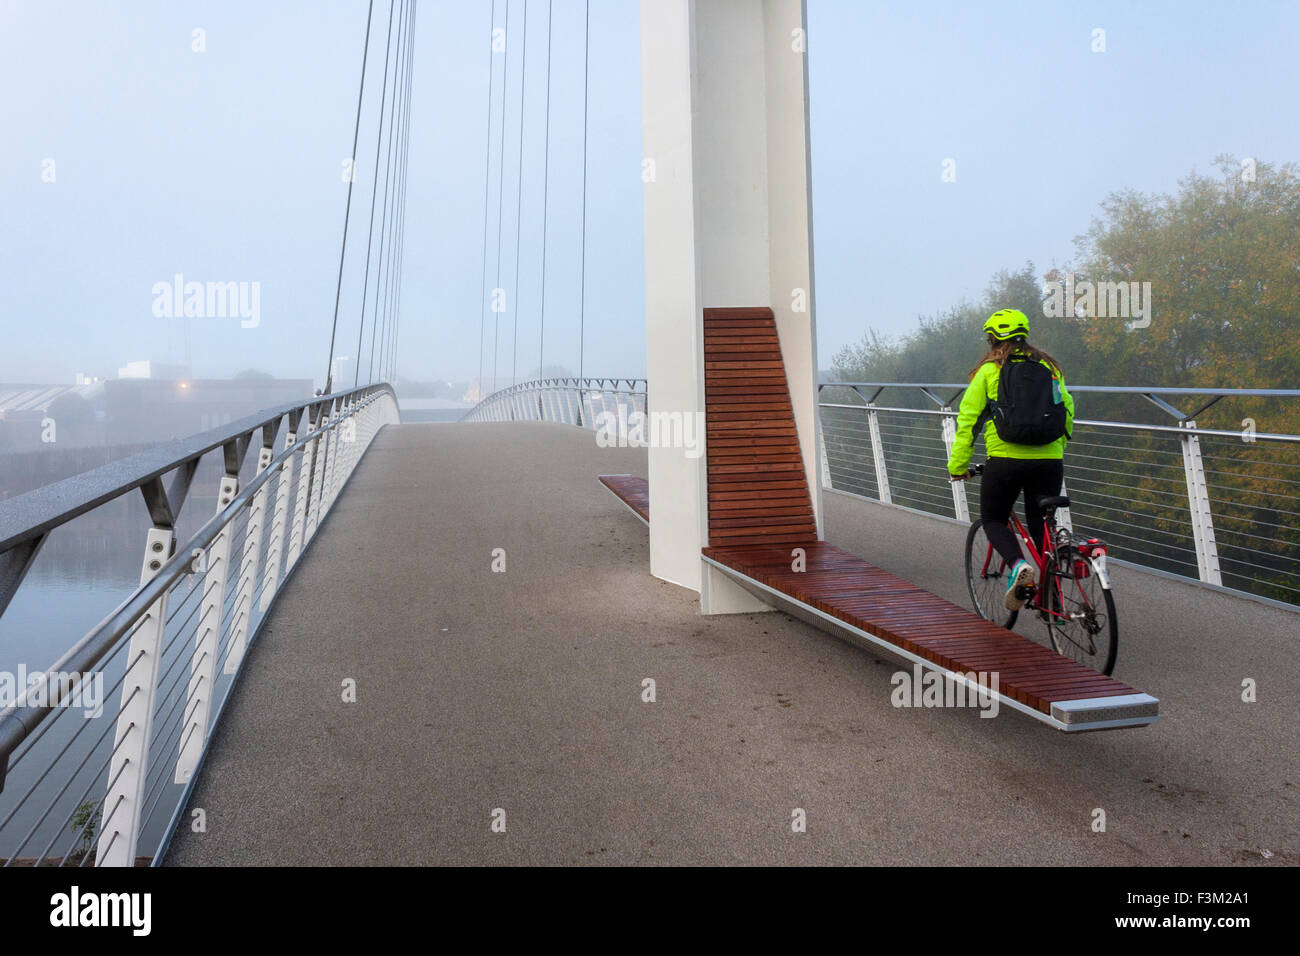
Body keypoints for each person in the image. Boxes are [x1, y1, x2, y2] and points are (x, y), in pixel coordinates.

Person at [948, 308, 1074, 610]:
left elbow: (968, 421)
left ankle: (1018, 566)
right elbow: (1067, 410)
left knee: (993, 519)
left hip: (1005, 460)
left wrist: (959, 467)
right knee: (1040, 524)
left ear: (991, 340)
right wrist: (1055, 451)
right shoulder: (1049, 366)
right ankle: (1054, 601)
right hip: (1049, 460)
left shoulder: (988, 372)